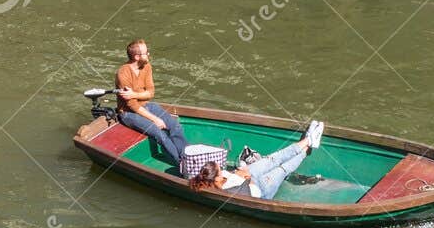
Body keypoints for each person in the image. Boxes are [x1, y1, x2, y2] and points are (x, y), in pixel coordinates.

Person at [190, 122, 324, 201]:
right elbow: (250, 191)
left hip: (248, 177)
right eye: (220, 170)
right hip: (260, 189)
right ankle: (307, 148)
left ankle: (308, 140)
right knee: (283, 169)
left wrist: (239, 173)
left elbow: (237, 174)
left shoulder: (212, 178)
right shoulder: (225, 190)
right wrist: (245, 177)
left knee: (275, 157)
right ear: (217, 178)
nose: (222, 169)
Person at [115, 39, 187, 168]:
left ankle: (188, 157)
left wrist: (134, 94)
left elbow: (150, 93)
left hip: (146, 105)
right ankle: (183, 165)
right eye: (146, 52)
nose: (148, 54)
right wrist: (155, 119)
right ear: (137, 57)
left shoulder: (147, 66)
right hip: (128, 113)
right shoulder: (123, 73)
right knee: (159, 133)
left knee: (175, 126)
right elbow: (132, 105)